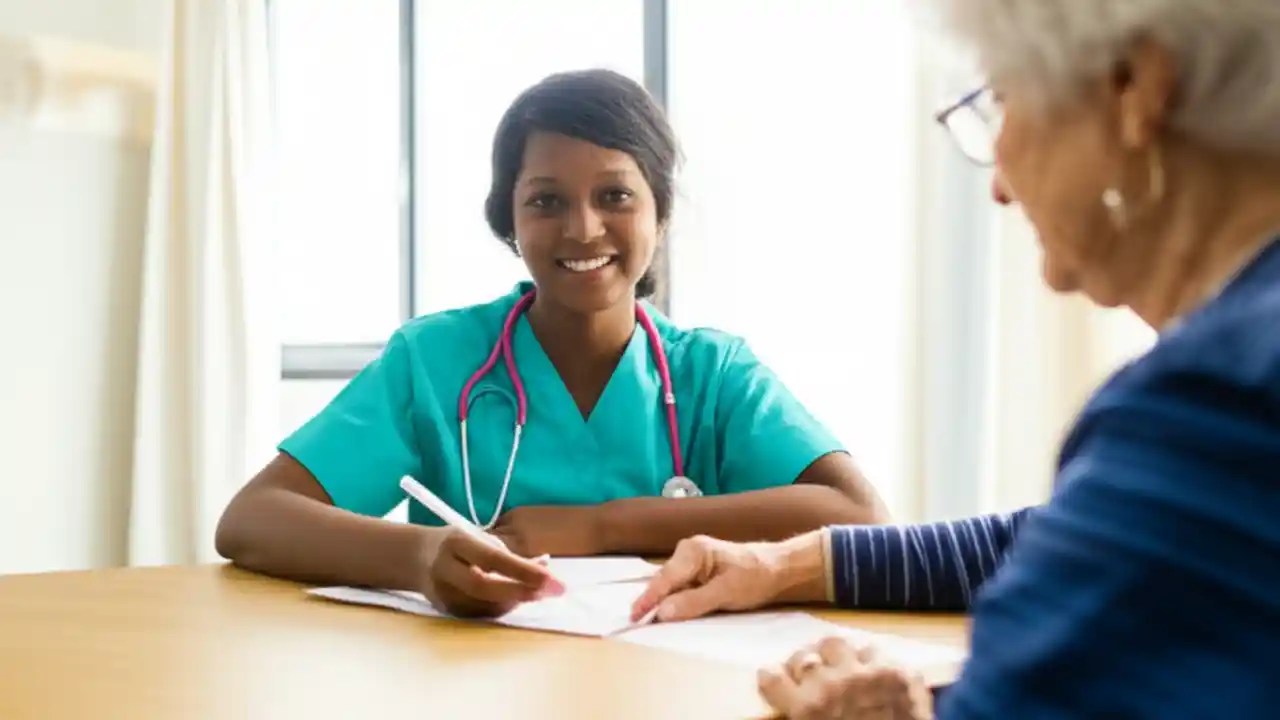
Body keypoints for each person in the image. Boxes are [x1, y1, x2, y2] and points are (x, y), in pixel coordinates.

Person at [632, 1, 1280, 717]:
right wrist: (780, 564)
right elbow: (1051, 537)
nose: (999, 180)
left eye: (1004, 102)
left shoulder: (1216, 406)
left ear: (1135, 88)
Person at [215, 69, 888, 618]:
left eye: (615, 196)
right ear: (507, 218)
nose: (583, 229)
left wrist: (602, 527)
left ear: (662, 213)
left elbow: (862, 520)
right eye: (546, 201)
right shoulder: (433, 362)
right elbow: (251, 519)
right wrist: (421, 559)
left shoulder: (714, 375)